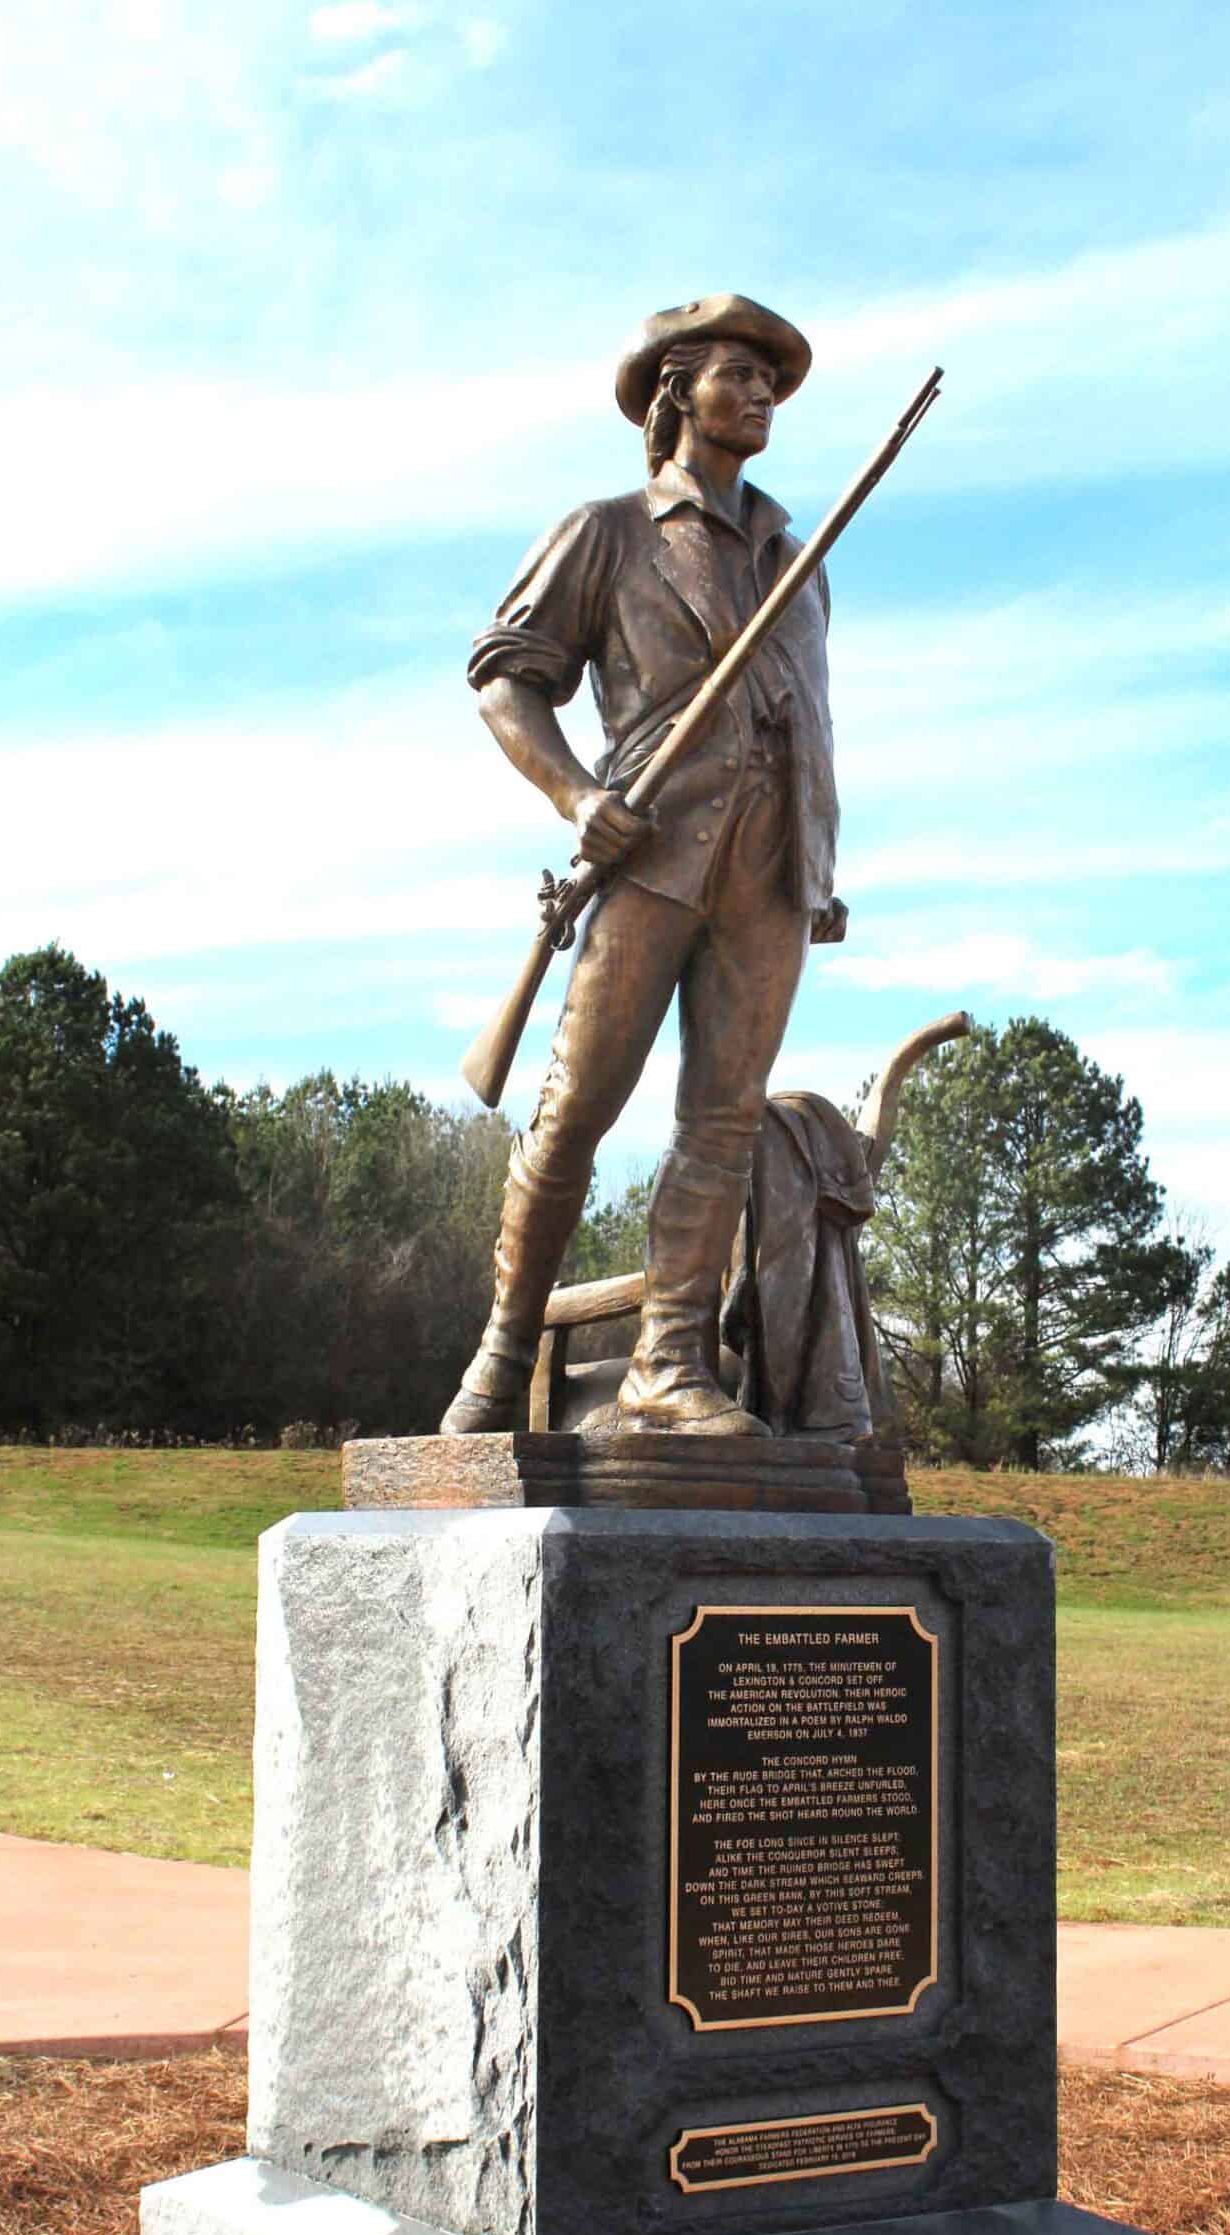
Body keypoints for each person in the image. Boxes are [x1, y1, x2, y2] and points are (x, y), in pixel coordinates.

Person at [443, 293, 847, 1437]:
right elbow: (504, 678)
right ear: (677, 392)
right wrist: (578, 795)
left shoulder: (800, 561)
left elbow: (811, 719)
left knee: (722, 1121)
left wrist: (815, 859)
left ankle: (669, 1364)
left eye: (769, 380)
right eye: (737, 375)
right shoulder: (609, 533)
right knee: (573, 1113)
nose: (761, 395)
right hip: (652, 858)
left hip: (769, 875)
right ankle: (501, 1352)